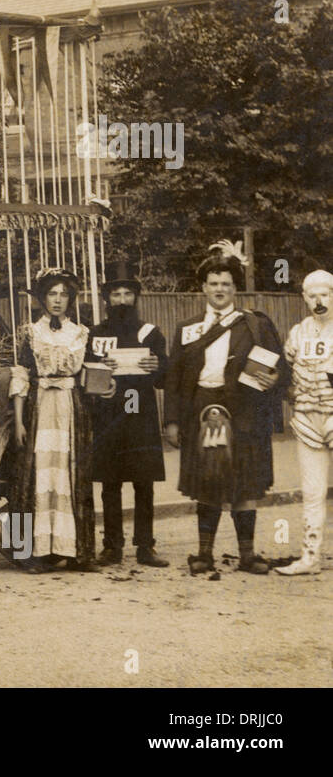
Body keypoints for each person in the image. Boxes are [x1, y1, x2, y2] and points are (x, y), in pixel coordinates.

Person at [163, 241, 286, 575]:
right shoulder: (187, 328)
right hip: (201, 408)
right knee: (207, 480)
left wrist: (274, 378)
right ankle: (204, 554)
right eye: (214, 283)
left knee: (246, 480)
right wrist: (172, 421)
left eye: (226, 284)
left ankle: (247, 555)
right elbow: (174, 378)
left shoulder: (255, 325)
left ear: (234, 289)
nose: (220, 289)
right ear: (204, 287)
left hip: (245, 410)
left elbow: (279, 367)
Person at [12, 267, 98, 572]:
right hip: (40, 407)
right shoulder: (30, 333)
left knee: (70, 473)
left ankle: (74, 552)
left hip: (71, 408)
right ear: (42, 298)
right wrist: (19, 421)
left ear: (71, 298)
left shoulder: (81, 333)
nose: (58, 300)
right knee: (41, 475)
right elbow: (21, 375)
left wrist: (107, 382)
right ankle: (38, 553)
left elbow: (91, 374)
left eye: (64, 294)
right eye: (52, 293)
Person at [85, 261, 169, 567]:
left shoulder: (150, 333)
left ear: (135, 297)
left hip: (141, 416)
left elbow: (164, 378)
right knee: (110, 483)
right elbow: (88, 379)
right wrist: (100, 372)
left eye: (127, 294)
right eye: (116, 294)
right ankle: (112, 546)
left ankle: (145, 546)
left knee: (143, 482)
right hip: (109, 416)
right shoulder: (95, 334)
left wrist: (157, 366)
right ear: (107, 299)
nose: (122, 300)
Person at [275, 269, 333, 575]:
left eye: (324, 294)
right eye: (312, 296)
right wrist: (289, 391)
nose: (319, 301)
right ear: (304, 298)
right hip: (307, 418)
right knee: (312, 491)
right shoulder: (298, 332)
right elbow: (284, 371)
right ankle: (310, 556)